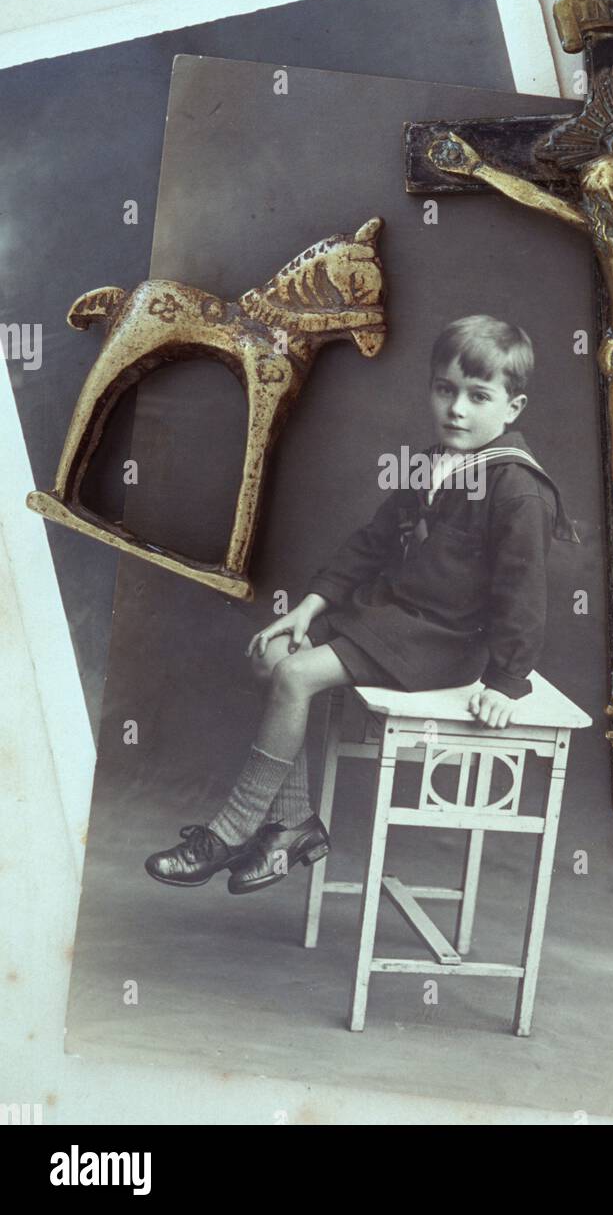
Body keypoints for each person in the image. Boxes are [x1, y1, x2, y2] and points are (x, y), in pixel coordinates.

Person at [145, 314, 577, 895]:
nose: (457, 410)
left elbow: (524, 594)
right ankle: (295, 823)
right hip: (390, 619)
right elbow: (372, 543)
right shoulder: (431, 460)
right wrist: (310, 608)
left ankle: (231, 830)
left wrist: (505, 681)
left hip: (444, 643)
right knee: (271, 655)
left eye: (479, 397)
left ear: (513, 408)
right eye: (445, 390)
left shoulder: (518, 489)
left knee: (295, 676)